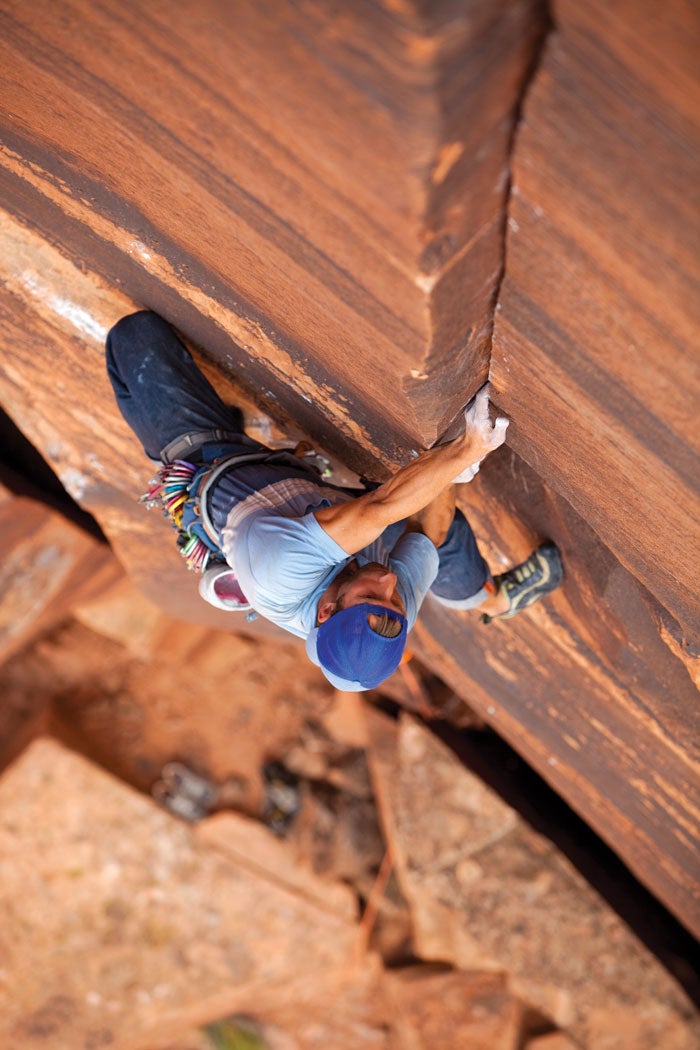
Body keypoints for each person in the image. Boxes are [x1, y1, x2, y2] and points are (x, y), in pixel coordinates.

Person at [106, 311, 562, 691]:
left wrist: (465, 450)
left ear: (326, 611)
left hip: (219, 470)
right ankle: (490, 599)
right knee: (436, 523)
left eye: (372, 595)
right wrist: (455, 466)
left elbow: (380, 509)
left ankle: (231, 551)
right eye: (395, 603)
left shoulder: (282, 576)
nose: (388, 584)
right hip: (316, 503)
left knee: (135, 338)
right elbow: (429, 532)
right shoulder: (382, 610)